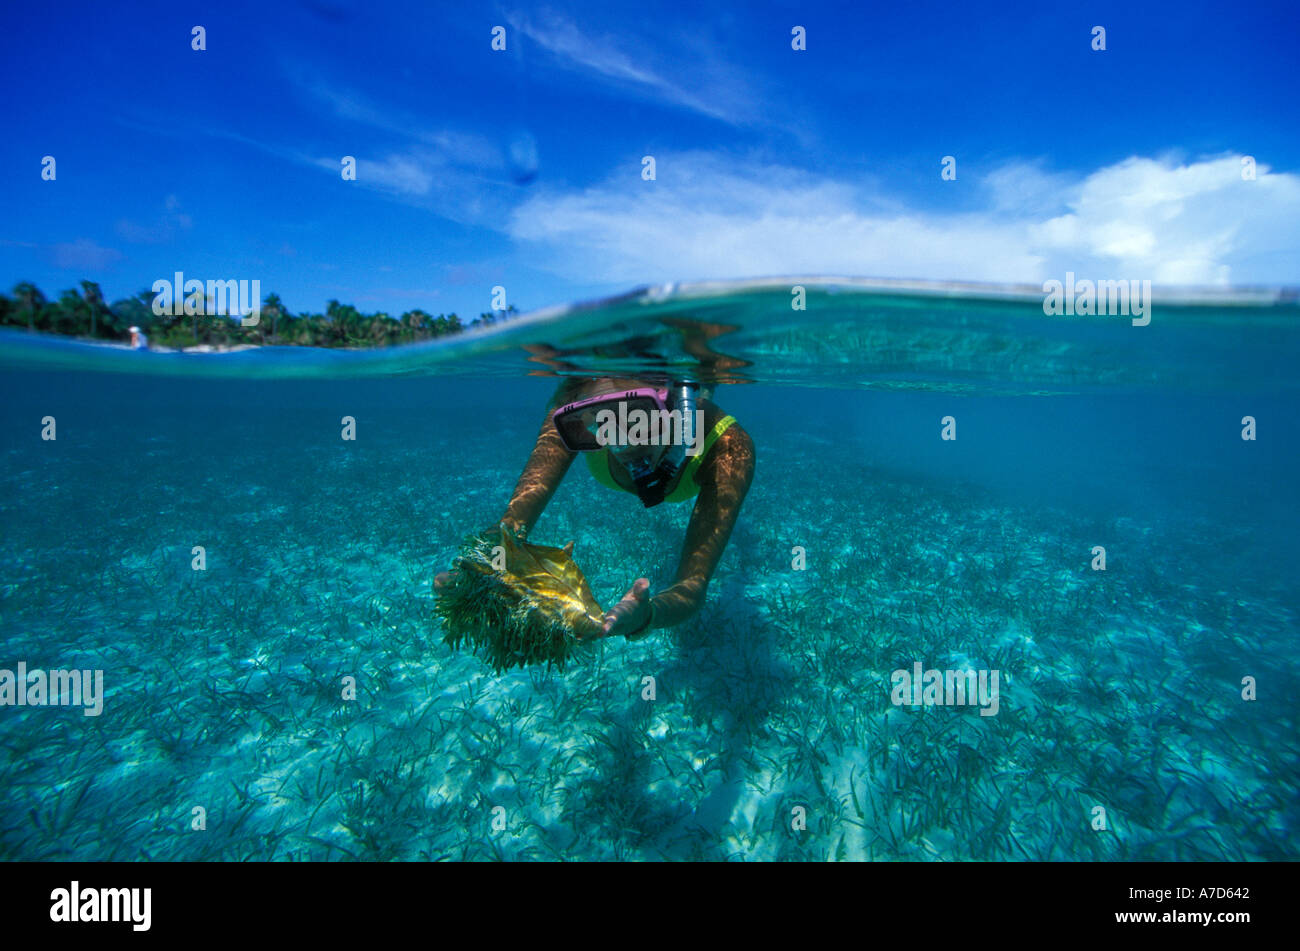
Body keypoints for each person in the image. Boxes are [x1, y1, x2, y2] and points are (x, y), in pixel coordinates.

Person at [439, 375, 755, 642]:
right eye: (603, 422)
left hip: (696, 425)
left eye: (637, 417)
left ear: (674, 409)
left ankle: (703, 389)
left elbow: (693, 585)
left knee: (702, 389)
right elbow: (510, 527)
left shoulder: (727, 447)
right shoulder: (571, 419)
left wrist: (649, 615)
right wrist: (479, 570)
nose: (623, 442)